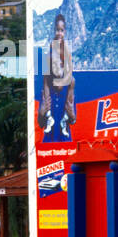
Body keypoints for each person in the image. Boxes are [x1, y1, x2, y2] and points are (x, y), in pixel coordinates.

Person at [40, 13, 76, 142]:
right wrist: (43, 111)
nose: (59, 33)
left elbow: (67, 79)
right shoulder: (50, 49)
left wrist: (71, 113)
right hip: (49, 139)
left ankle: (61, 121)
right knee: (47, 93)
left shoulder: (66, 49)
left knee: (71, 81)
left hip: (64, 138)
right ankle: (50, 117)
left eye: (61, 30)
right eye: (57, 30)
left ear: (64, 31)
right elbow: (46, 79)